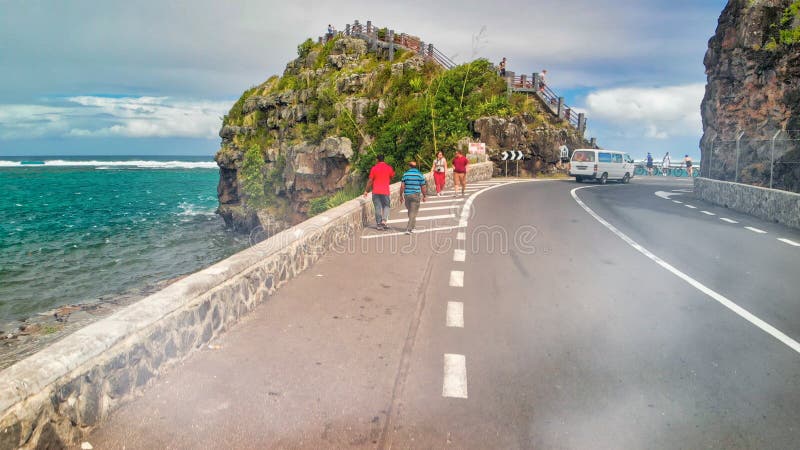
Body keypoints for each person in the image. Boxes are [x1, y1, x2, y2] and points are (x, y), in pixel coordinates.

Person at [363, 154, 394, 230]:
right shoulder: (389, 168)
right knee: (386, 206)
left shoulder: (374, 168)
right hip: (385, 191)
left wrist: (366, 191)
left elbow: (370, 181)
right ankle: (384, 221)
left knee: (377, 207)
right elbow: (392, 176)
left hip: (376, 191)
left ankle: (379, 224)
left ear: (377, 160)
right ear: (384, 159)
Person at [399, 161, 427, 234]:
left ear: (409, 166)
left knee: (411, 211)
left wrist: (400, 195)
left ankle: (413, 227)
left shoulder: (405, 174)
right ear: (416, 166)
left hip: (407, 195)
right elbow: (423, 186)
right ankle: (409, 229)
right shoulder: (419, 175)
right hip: (415, 195)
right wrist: (424, 196)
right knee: (413, 212)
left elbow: (402, 186)